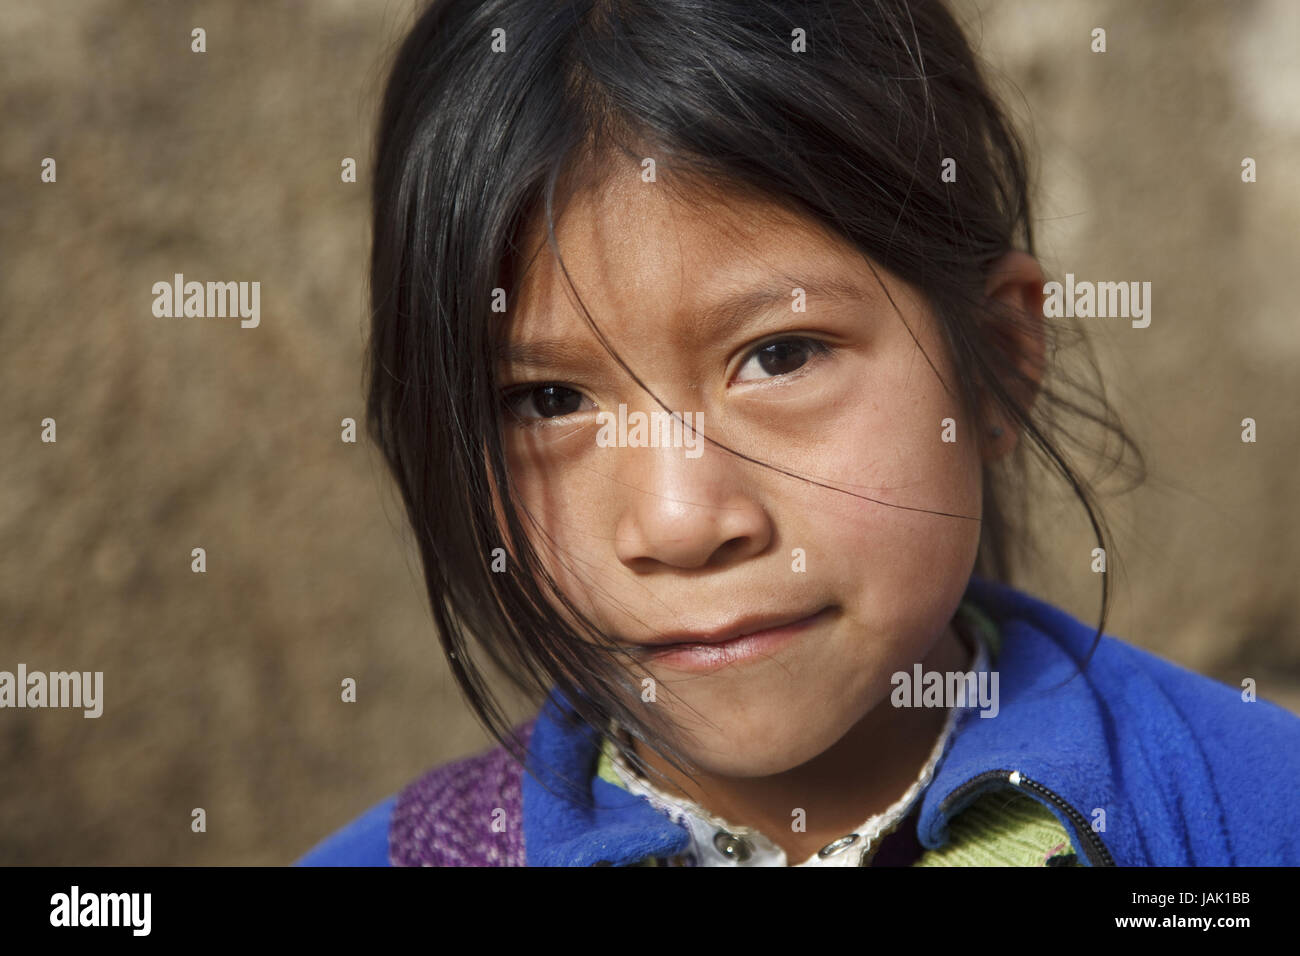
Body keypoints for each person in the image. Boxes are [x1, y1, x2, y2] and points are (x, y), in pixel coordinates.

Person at [296, 0, 1300, 866]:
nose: (682, 520)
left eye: (780, 355)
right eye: (549, 400)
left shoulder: (1252, 817)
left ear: (993, 362)